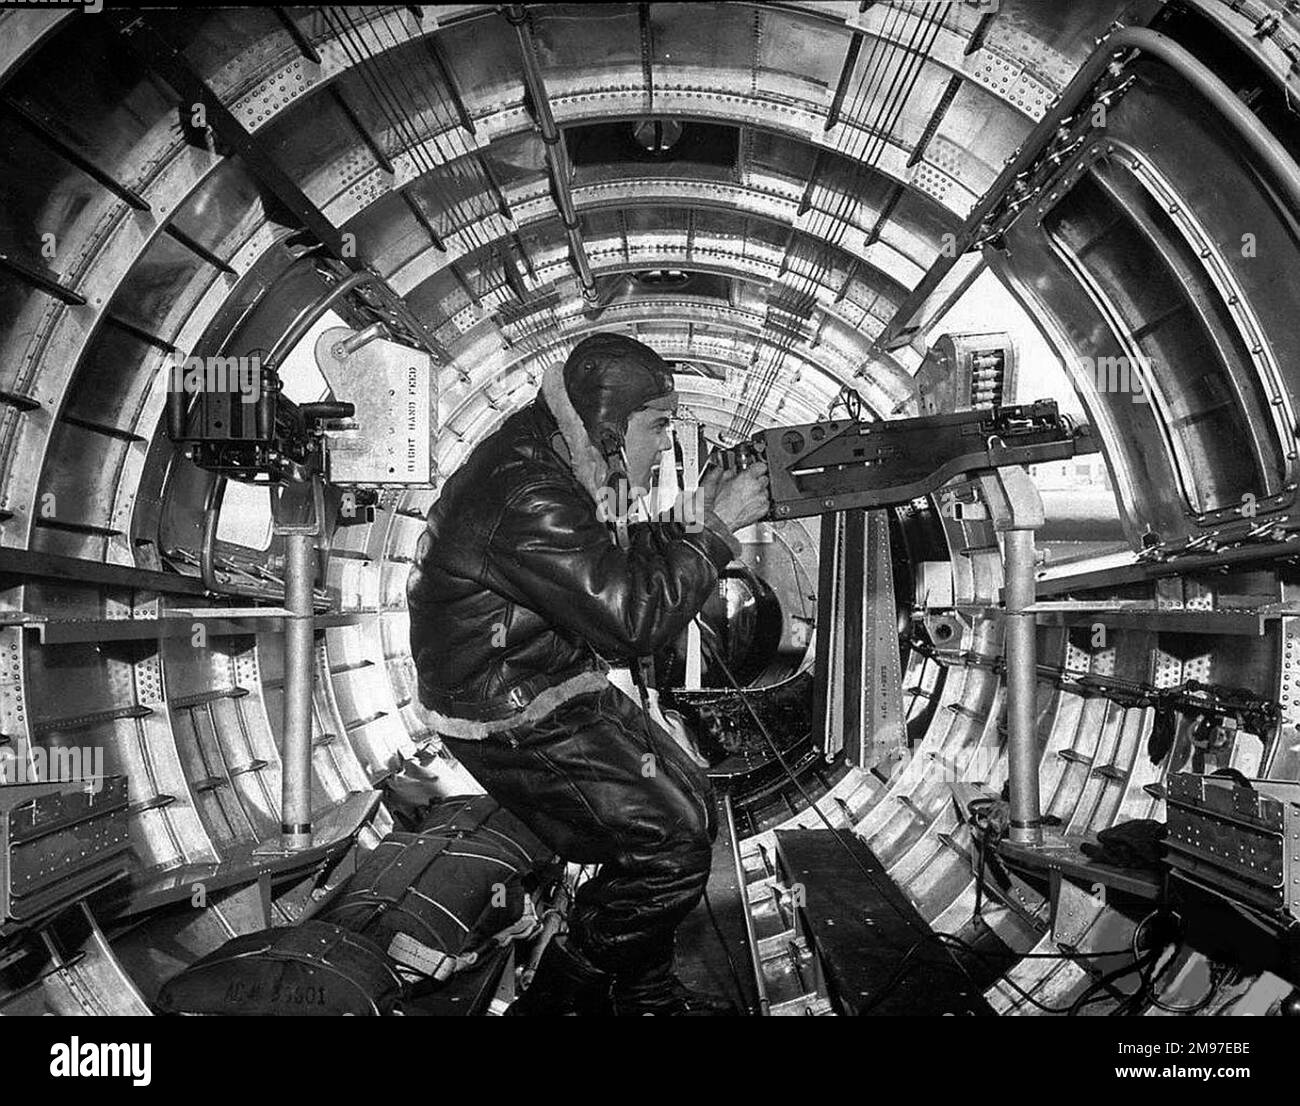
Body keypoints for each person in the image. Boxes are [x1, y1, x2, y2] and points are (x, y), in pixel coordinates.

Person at [406, 332, 769, 1015]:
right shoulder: (527, 491)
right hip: (504, 707)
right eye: (657, 426)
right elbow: (628, 619)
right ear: (608, 425)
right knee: (671, 845)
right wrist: (717, 530)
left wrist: (700, 510)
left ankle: (644, 997)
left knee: (685, 798)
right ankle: (557, 1005)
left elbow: (613, 561)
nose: (663, 443)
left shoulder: (559, 455)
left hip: (543, 677)